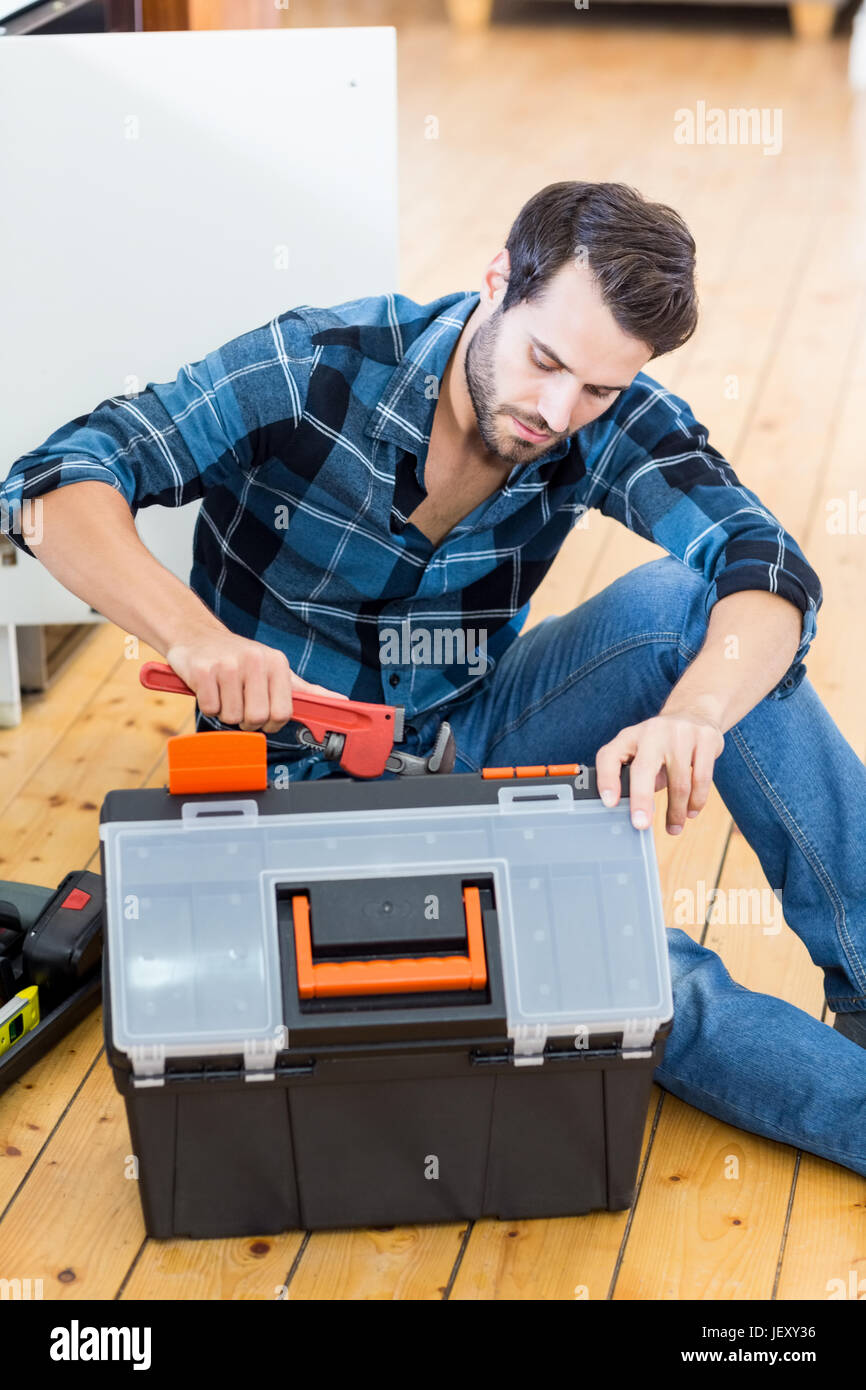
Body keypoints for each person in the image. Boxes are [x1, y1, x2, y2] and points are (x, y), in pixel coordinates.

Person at [2, 181, 865, 1178]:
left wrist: (696, 717)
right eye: (543, 361)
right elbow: (56, 483)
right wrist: (195, 636)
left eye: (595, 390)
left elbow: (764, 564)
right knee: (634, 967)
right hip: (304, 806)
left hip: (479, 734)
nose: (556, 410)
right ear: (496, 281)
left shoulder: (594, 412)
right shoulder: (312, 367)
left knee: (693, 605)